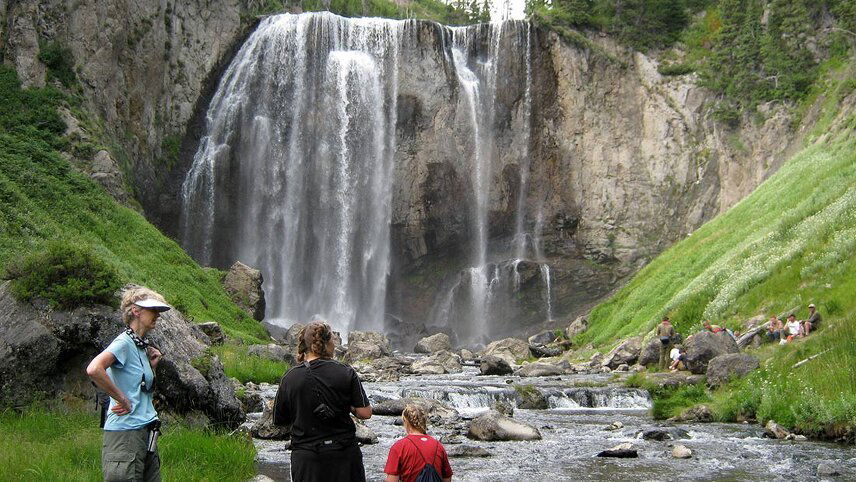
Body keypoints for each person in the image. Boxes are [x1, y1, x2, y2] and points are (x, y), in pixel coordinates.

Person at [86, 286, 171, 482]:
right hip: (125, 434)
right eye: (153, 309)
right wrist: (121, 398)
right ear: (136, 311)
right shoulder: (123, 343)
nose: (157, 315)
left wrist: (151, 367)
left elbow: (138, 387)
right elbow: (94, 369)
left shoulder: (140, 345)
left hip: (145, 431)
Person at [273, 321, 372, 482]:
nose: (335, 344)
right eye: (333, 340)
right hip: (344, 455)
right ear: (325, 344)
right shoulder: (346, 372)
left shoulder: (289, 378)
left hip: (307, 458)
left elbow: (279, 420)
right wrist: (350, 407)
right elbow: (365, 413)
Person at [384, 404, 453, 482]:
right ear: (424, 421)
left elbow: (392, 480)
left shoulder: (399, 447)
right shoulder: (438, 445)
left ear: (406, 422)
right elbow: (447, 478)